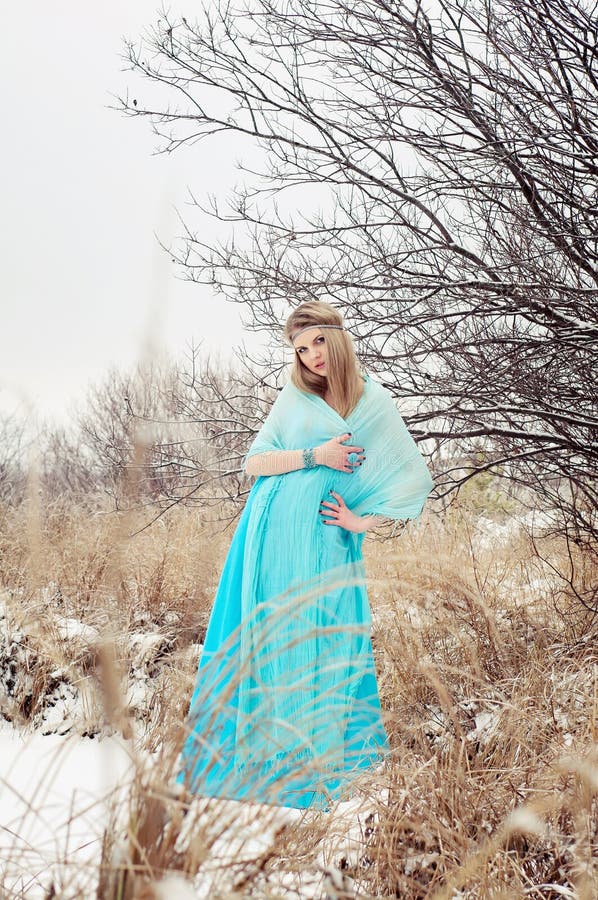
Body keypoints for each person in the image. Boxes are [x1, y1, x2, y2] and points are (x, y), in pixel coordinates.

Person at [177, 301, 433, 809]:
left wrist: (363, 522)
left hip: (329, 540)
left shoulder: (372, 403)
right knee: (272, 635)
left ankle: (321, 764)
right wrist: (317, 455)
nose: (311, 356)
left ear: (336, 338)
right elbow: (255, 461)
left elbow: (411, 477)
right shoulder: (293, 399)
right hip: (271, 536)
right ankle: (258, 769)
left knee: (330, 635)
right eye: (300, 349)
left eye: (317, 341)